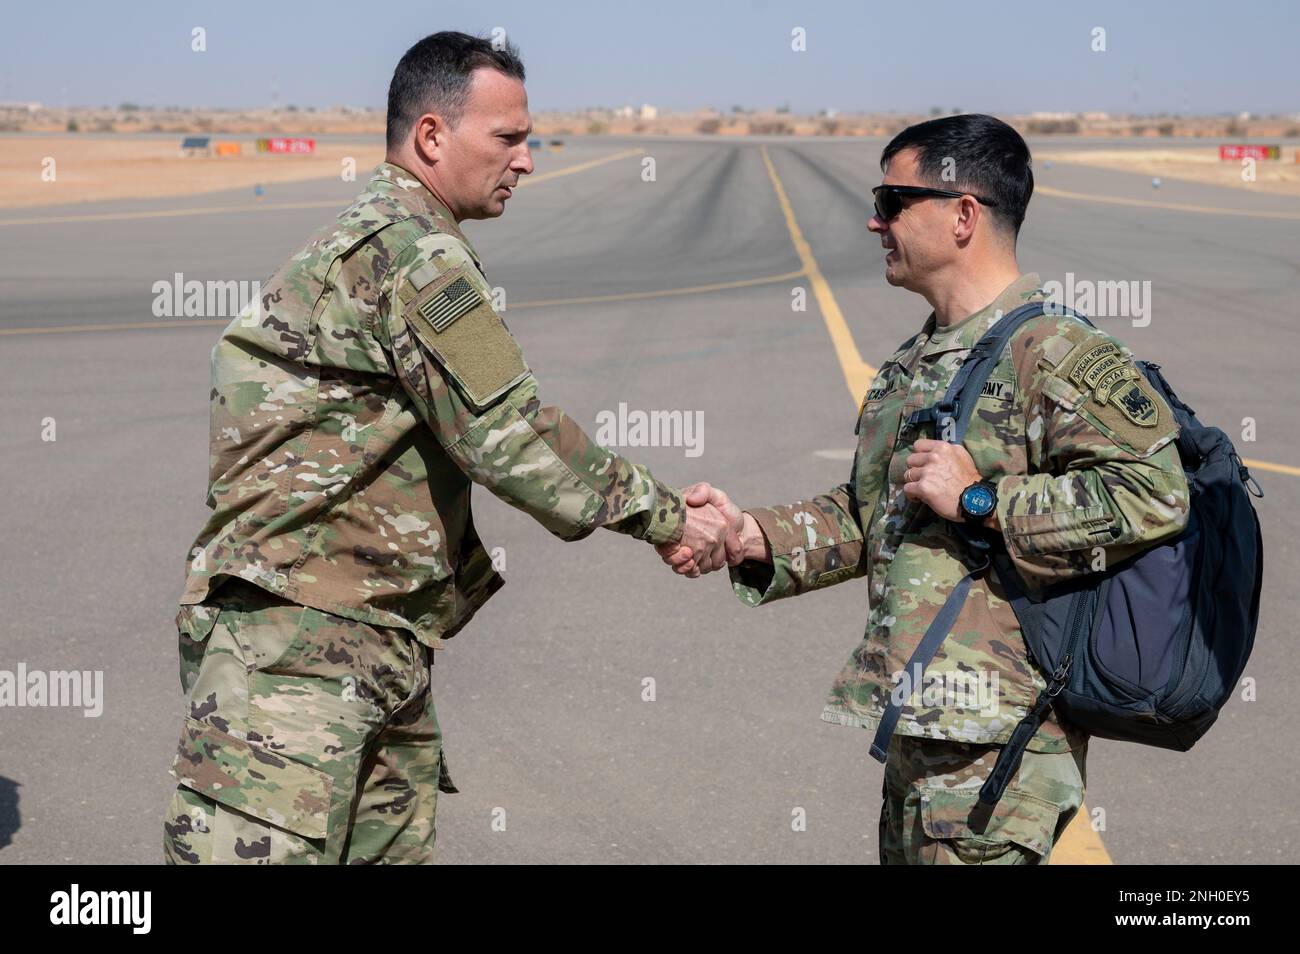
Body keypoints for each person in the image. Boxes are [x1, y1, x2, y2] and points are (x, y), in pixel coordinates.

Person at [162, 31, 734, 865]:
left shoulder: (389, 239)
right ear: (432, 136)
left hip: (367, 639)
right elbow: (511, 436)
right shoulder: (414, 254)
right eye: (508, 138)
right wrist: (669, 518)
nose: (527, 161)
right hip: (299, 653)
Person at [660, 114, 1190, 864]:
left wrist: (984, 501)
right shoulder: (914, 362)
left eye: (893, 199)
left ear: (963, 214)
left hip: (1000, 750)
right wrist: (750, 535)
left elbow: (1155, 494)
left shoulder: (1060, 353)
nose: (875, 220)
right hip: (921, 735)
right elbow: (876, 513)